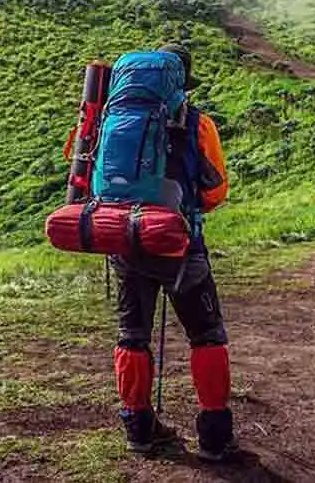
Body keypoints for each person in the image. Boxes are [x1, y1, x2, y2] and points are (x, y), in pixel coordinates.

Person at [111, 43, 237, 462]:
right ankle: (214, 437)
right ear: (181, 82)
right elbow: (216, 192)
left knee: (132, 337)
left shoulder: (115, 117)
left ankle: (139, 429)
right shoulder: (198, 124)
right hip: (179, 245)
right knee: (207, 336)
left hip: (124, 239)